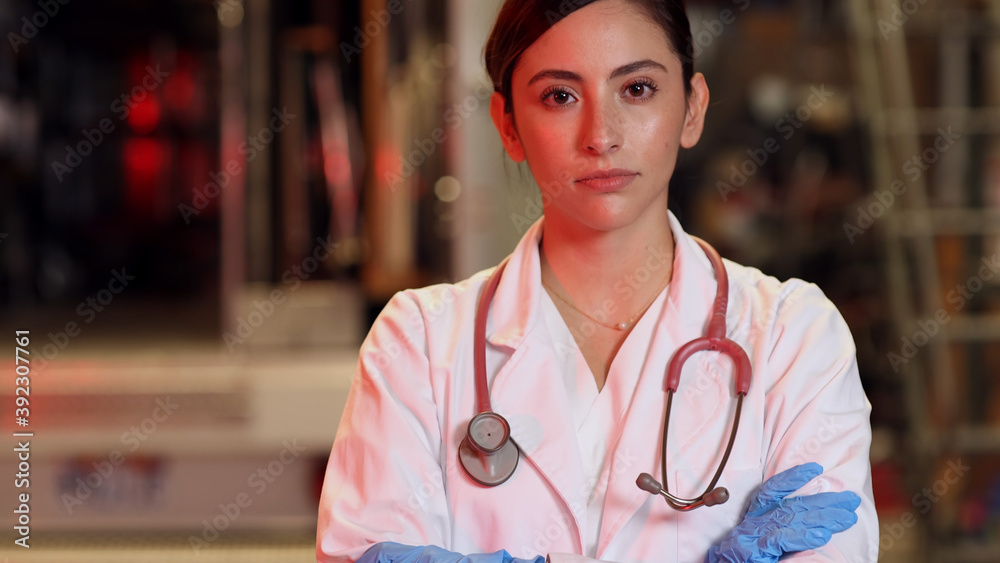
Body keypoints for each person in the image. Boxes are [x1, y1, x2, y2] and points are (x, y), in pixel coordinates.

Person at [316, 0, 879, 561]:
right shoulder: (419, 343)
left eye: (636, 89)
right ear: (508, 125)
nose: (600, 135)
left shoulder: (792, 336)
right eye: (559, 96)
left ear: (692, 108)